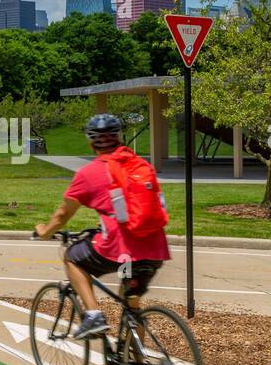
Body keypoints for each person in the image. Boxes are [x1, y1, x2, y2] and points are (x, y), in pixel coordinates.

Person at [34, 113, 170, 340]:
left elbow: (62, 214)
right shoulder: (141, 165)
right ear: (119, 137)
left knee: (72, 257)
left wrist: (44, 232)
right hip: (153, 250)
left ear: (91, 141)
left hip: (121, 249)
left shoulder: (89, 173)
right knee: (131, 303)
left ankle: (93, 315)